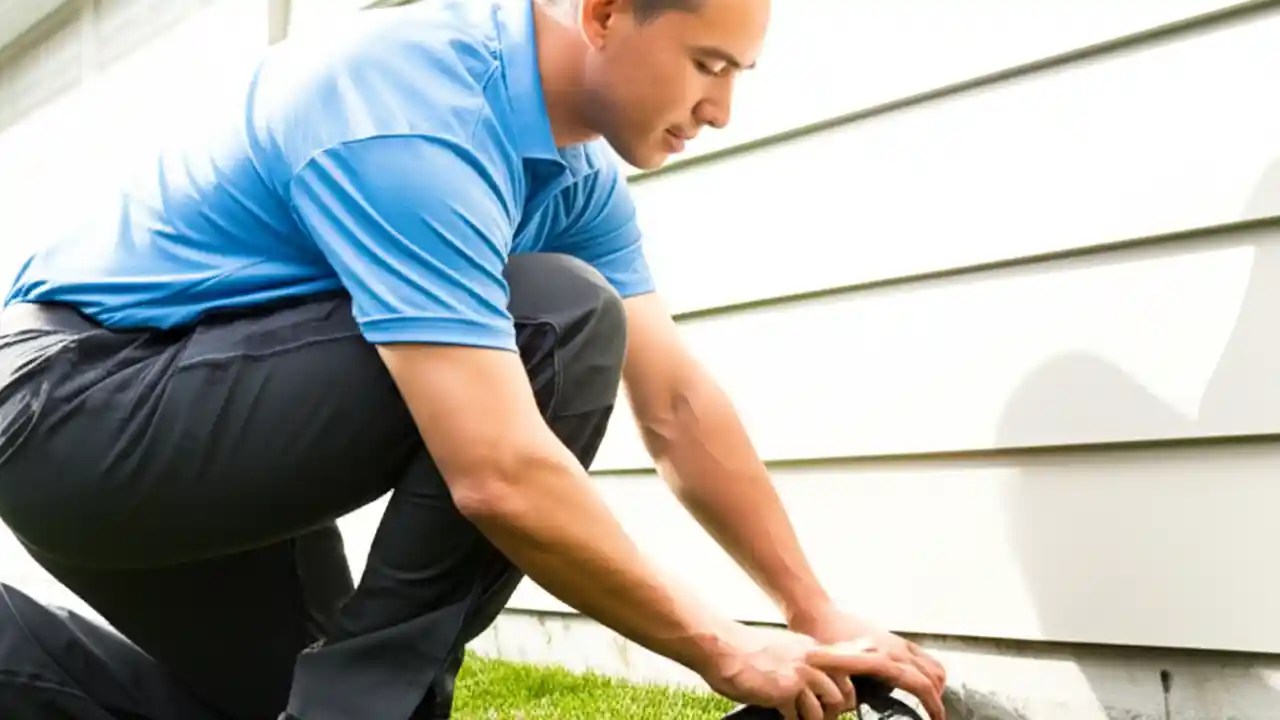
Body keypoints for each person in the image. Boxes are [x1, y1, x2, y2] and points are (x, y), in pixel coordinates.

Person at [0, 0, 948, 718]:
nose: (723, 108)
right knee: (558, 319)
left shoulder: (573, 182)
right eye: (708, 63)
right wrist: (726, 649)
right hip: (73, 405)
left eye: (740, 72)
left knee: (282, 697)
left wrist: (811, 609)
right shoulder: (415, 108)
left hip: (169, 410)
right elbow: (497, 471)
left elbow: (679, 407)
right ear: (607, 13)